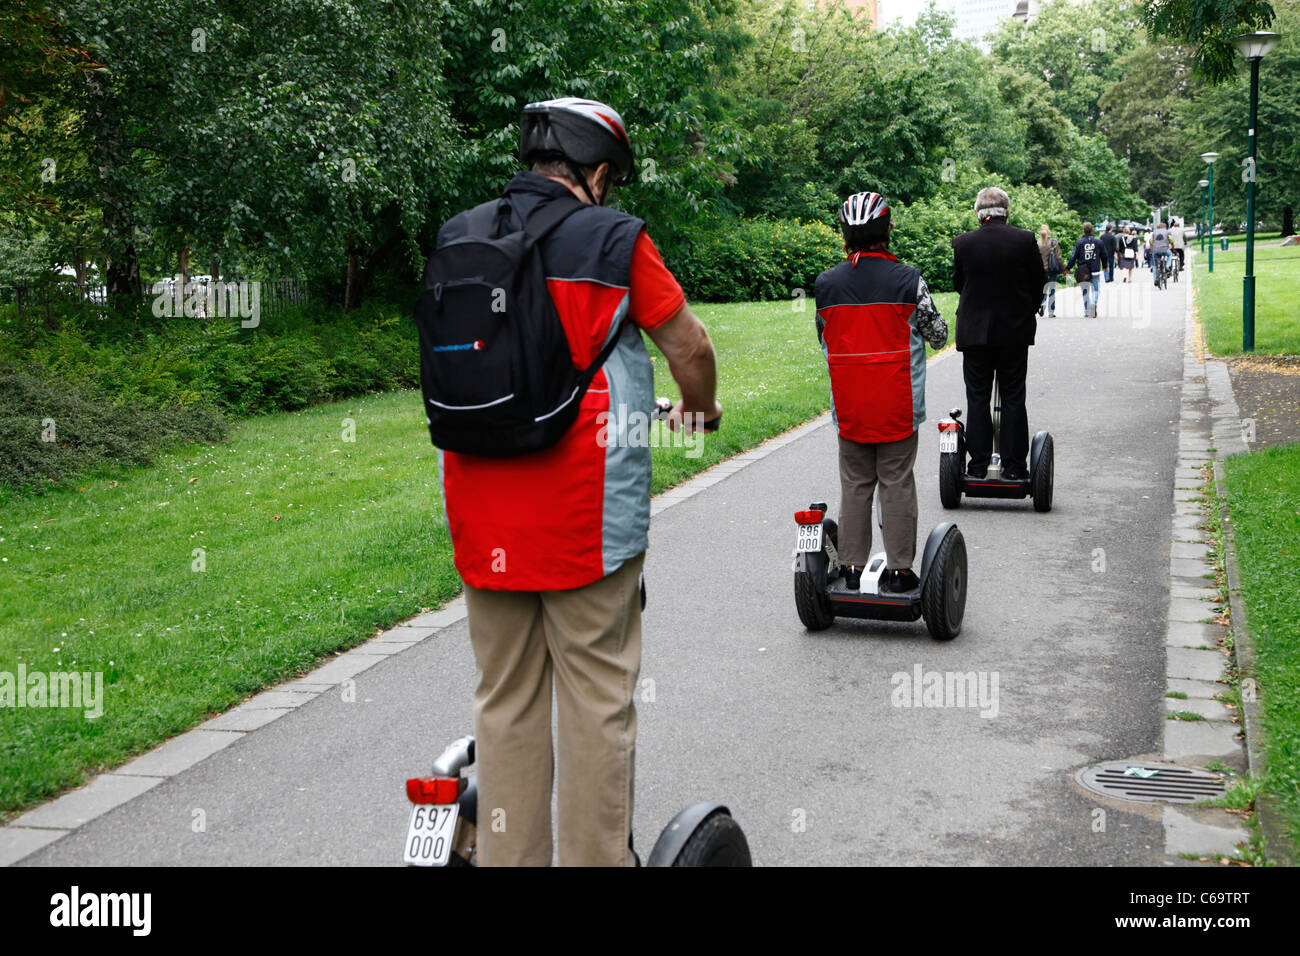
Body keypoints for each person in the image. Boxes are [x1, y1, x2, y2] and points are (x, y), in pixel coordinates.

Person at [435, 97, 721, 866]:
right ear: (596, 174)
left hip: (481, 514)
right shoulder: (614, 240)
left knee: (505, 701)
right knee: (596, 700)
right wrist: (701, 410)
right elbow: (688, 346)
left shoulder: (460, 234)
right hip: (581, 518)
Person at [814, 192, 947, 593]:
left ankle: (852, 569)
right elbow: (938, 335)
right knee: (896, 482)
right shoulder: (909, 280)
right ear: (887, 230)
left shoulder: (826, 285)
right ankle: (901, 571)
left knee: (855, 484)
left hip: (850, 407)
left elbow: (823, 338)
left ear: (846, 234)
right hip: (897, 405)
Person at [951, 187, 1043, 481]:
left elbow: (958, 283)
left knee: (977, 398)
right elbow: (1037, 283)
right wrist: (1027, 308)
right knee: (1014, 396)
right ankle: (1014, 466)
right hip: (1013, 332)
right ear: (1008, 211)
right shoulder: (1024, 239)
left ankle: (977, 466)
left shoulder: (963, 243)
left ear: (978, 213)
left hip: (975, 333)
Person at [1066, 222, 1107, 318]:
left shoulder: (1080, 242)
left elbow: (1074, 256)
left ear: (1083, 230)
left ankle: (1087, 311)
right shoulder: (1098, 242)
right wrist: (1105, 266)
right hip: (1095, 269)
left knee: (1085, 290)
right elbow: (1104, 255)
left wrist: (1068, 268)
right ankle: (1094, 303)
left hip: (1083, 270)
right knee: (1096, 289)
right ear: (1092, 230)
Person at [1036, 224, 1062, 318]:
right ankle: (1051, 312)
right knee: (1052, 290)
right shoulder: (1053, 242)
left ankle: (1042, 304)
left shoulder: (1037, 243)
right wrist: (1063, 269)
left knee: (1043, 290)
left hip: (1040, 270)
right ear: (1049, 231)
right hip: (1052, 269)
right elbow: (1058, 257)